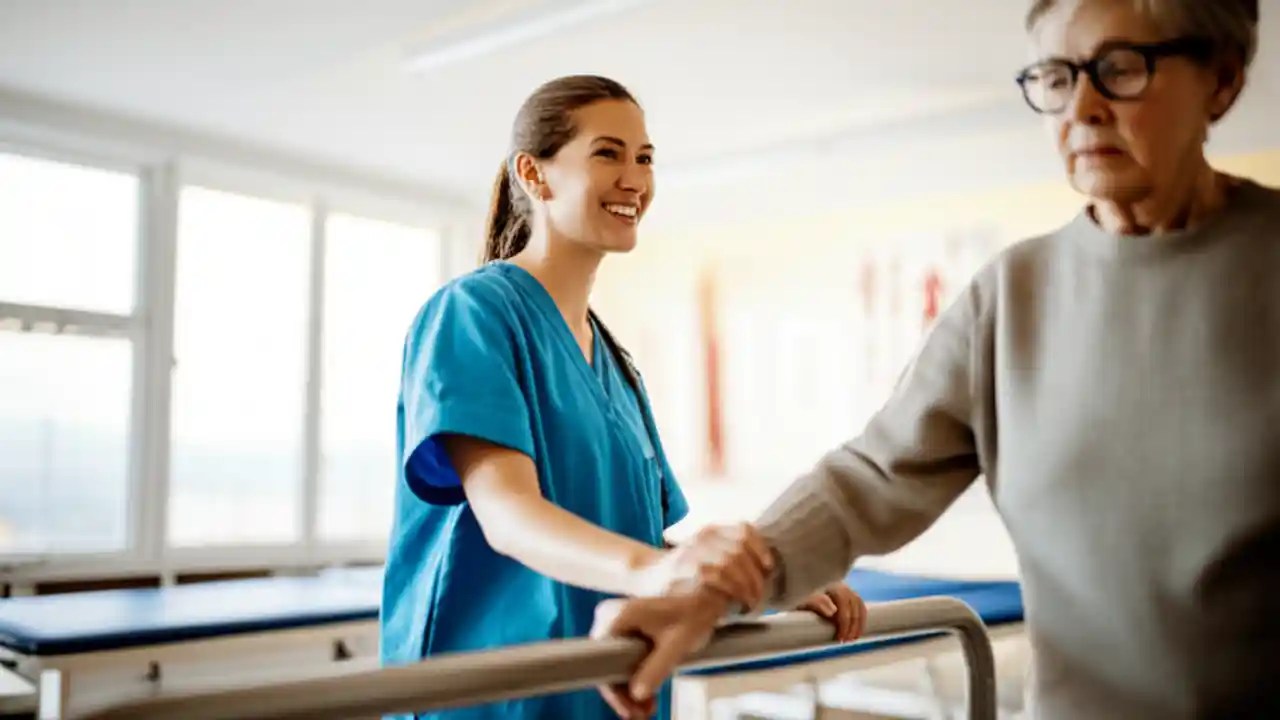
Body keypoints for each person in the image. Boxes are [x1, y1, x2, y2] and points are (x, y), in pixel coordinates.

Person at [591, 1, 1279, 718]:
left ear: (1222, 81)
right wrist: (704, 594)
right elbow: (869, 480)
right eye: (1057, 74)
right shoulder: (1012, 296)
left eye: (1119, 69)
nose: (1083, 105)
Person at [380, 74, 865, 720]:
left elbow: (633, 538)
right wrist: (663, 574)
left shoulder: (616, 363)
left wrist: (757, 587)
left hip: (605, 688)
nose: (635, 178)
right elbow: (510, 518)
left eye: (645, 158)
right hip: (490, 696)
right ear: (535, 173)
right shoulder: (472, 315)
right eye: (608, 153)